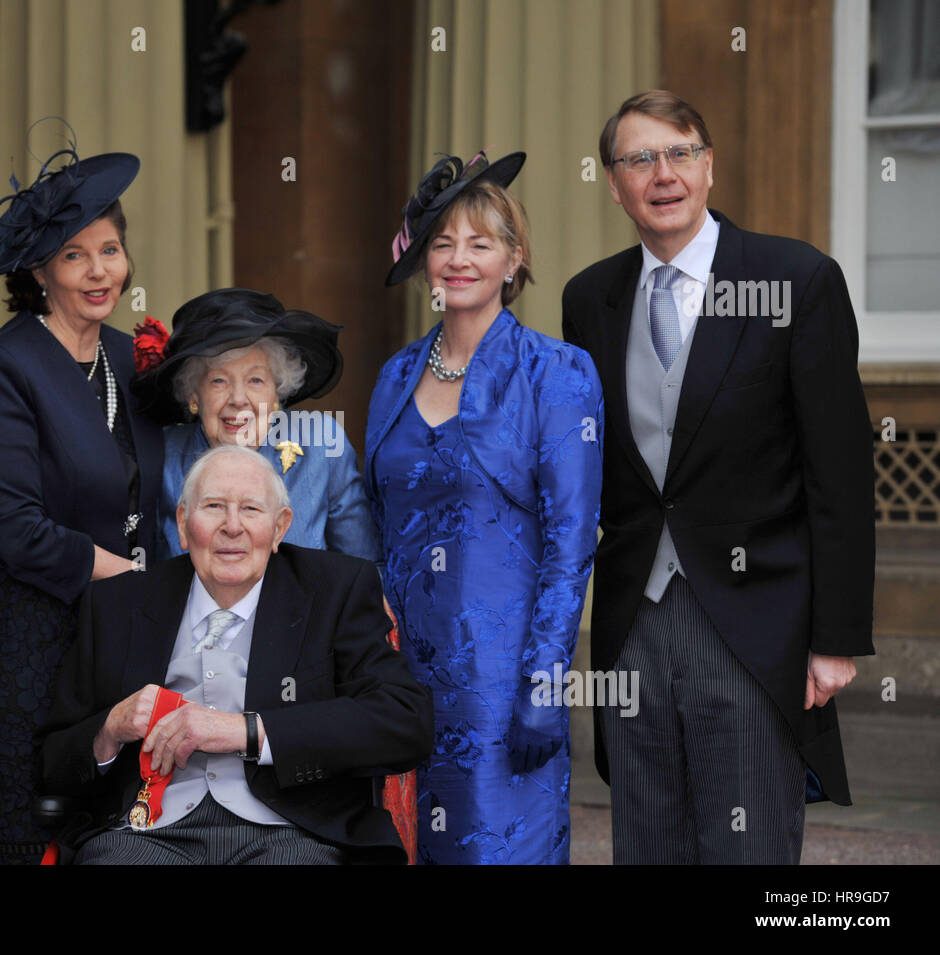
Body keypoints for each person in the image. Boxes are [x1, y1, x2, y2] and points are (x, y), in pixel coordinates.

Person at [561, 90, 876, 864]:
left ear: (709, 167)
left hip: (757, 617)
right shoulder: (589, 299)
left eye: (679, 152)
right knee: (647, 842)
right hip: (636, 618)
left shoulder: (796, 278)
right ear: (612, 182)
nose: (661, 173)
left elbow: (839, 470)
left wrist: (834, 637)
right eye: (639, 159)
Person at [365, 152, 604, 865]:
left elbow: (571, 545)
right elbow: (373, 529)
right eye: (442, 242)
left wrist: (542, 686)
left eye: (480, 242)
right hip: (398, 684)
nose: (459, 259)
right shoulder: (394, 374)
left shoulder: (558, 372)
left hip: (502, 692)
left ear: (514, 258)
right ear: (423, 263)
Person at [37, 445, 433, 864]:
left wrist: (245, 732)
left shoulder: (337, 589)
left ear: (280, 527)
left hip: (292, 834)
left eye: (250, 509)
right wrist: (109, 730)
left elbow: (405, 722)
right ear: (184, 525)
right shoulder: (118, 603)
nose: (232, 527)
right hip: (143, 835)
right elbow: (50, 762)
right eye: (213, 507)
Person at [0, 134, 163, 864]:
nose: (98, 270)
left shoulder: (128, 358)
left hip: (119, 642)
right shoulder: (0, 365)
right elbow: (10, 527)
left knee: (116, 830)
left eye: (109, 250)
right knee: (23, 830)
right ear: (40, 270)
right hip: (27, 644)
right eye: (75, 255)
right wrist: (138, 581)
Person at [133, 287, 381, 563]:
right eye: (219, 381)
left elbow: (363, 568)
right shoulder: (162, 456)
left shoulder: (320, 444)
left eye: (255, 380)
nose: (238, 399)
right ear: (193, 394)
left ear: (277, 392)